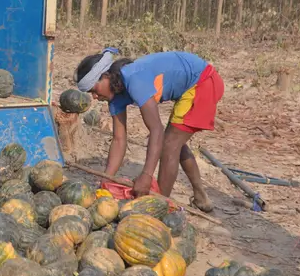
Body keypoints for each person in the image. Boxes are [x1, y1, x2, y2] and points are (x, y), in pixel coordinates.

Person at [76, 48, 224, 211]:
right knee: (175, 142)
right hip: (189, 87)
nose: (94, 97)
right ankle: (201, 197)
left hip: (202, 81)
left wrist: (146, 175)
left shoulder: (133, 78)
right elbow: (119, 139)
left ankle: (160, 208)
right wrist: (106, 180)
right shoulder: (114, 97)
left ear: (105, 76)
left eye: (93, 90)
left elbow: (156, 130)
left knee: (169, 144)